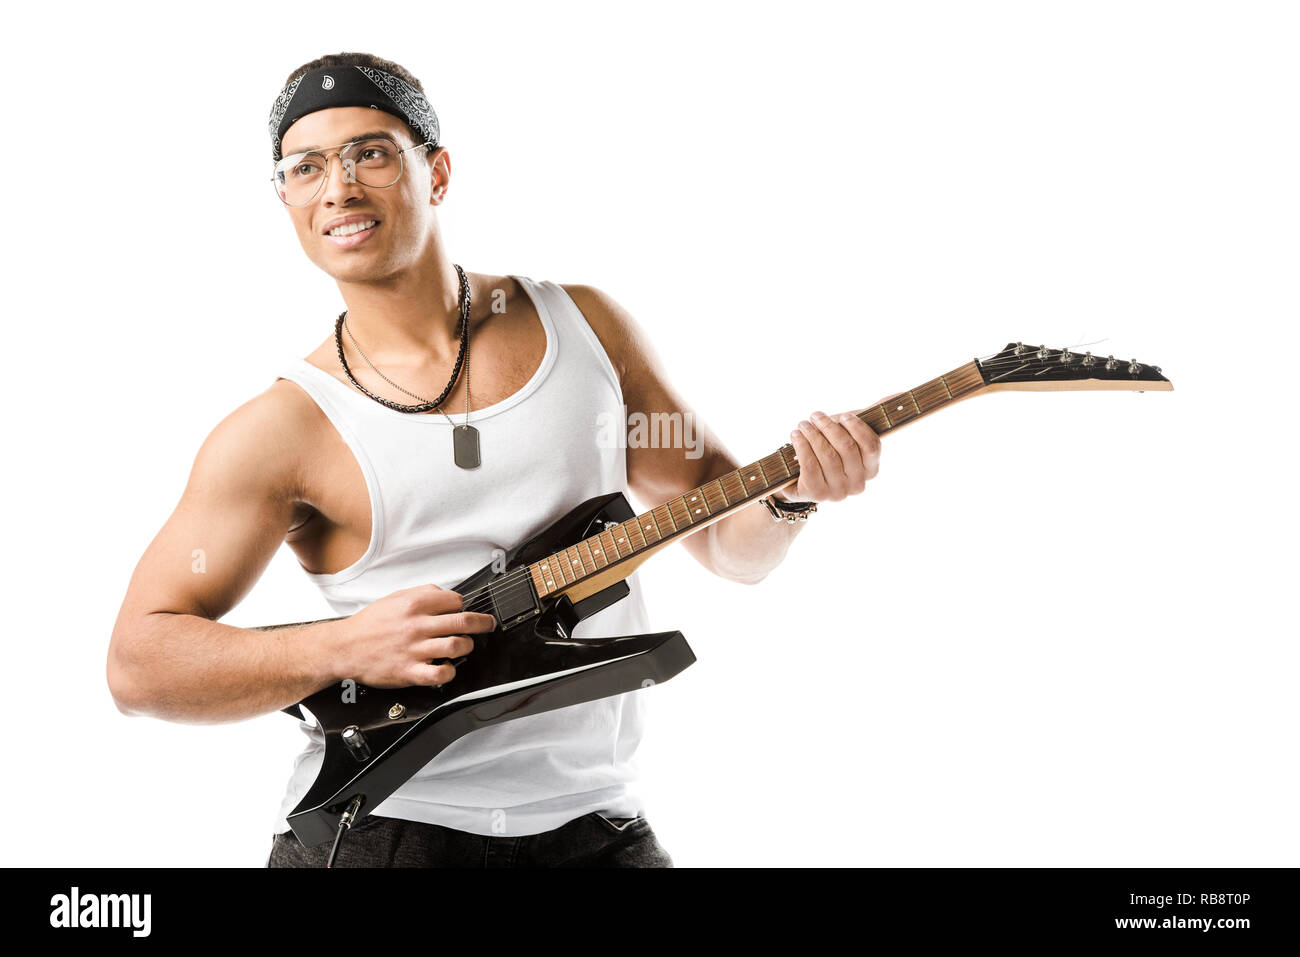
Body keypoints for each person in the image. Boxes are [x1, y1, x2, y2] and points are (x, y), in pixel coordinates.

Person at [105, 51, 884, 868]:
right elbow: (138, 662)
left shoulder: (587, 331)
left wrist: (793, 499)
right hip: (383, 835)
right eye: (306, 168)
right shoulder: (281, 431)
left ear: (436, 172)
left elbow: (728, 541)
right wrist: (338, 648)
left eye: (370, 152)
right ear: (288, 200)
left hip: (597, 823)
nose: (338, 188)